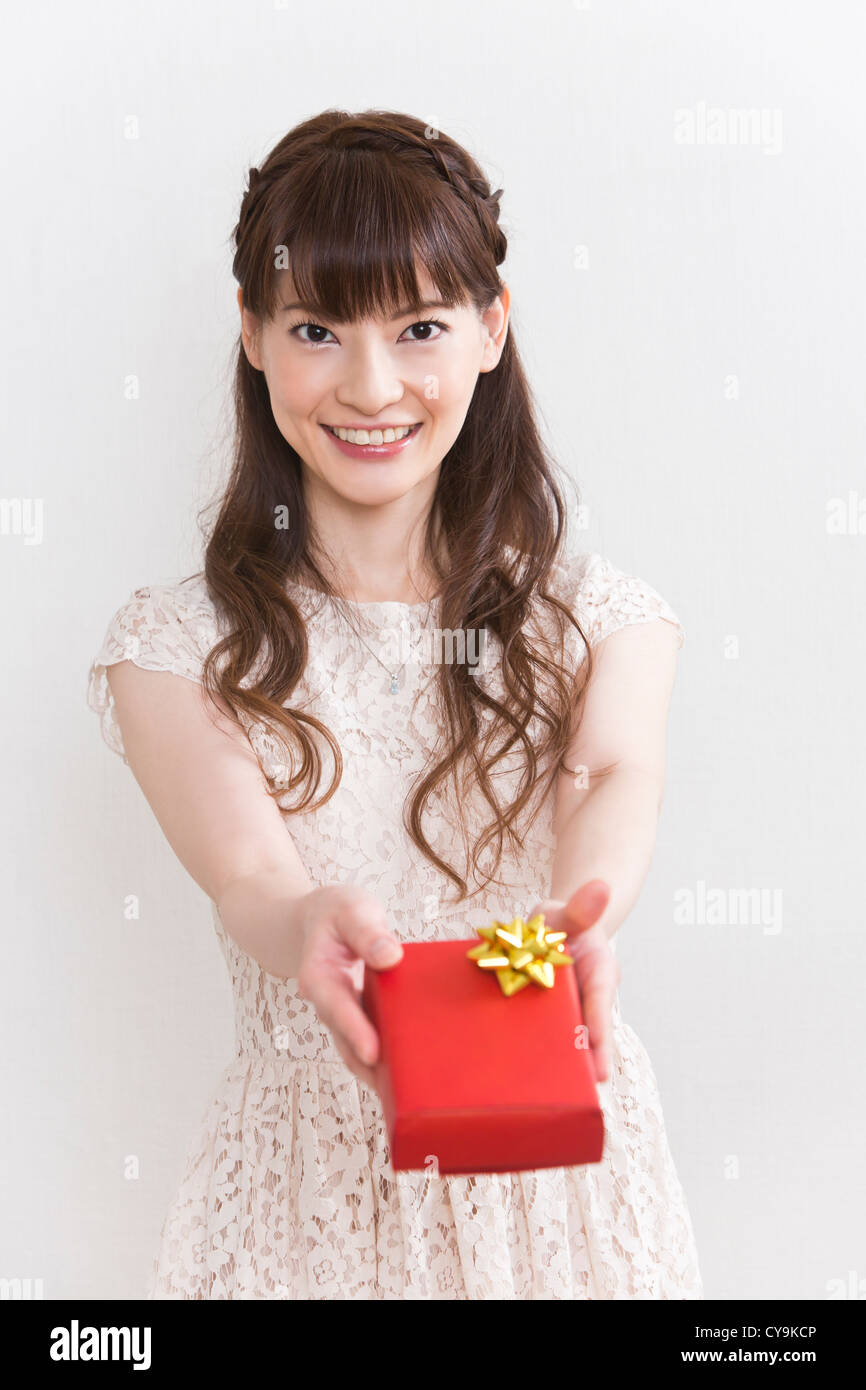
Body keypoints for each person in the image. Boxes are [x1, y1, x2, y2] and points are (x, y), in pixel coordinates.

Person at [87, 109, 703, 1299]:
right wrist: (306, 923)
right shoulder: (174, 646)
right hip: (304, 1201)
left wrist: (585, 909)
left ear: (488, 329)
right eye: (317, 328)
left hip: (557, 1192)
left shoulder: (604, 619)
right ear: (255, 337)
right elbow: (251, 878)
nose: (371, 386)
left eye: (418, 326)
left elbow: (608, 776)